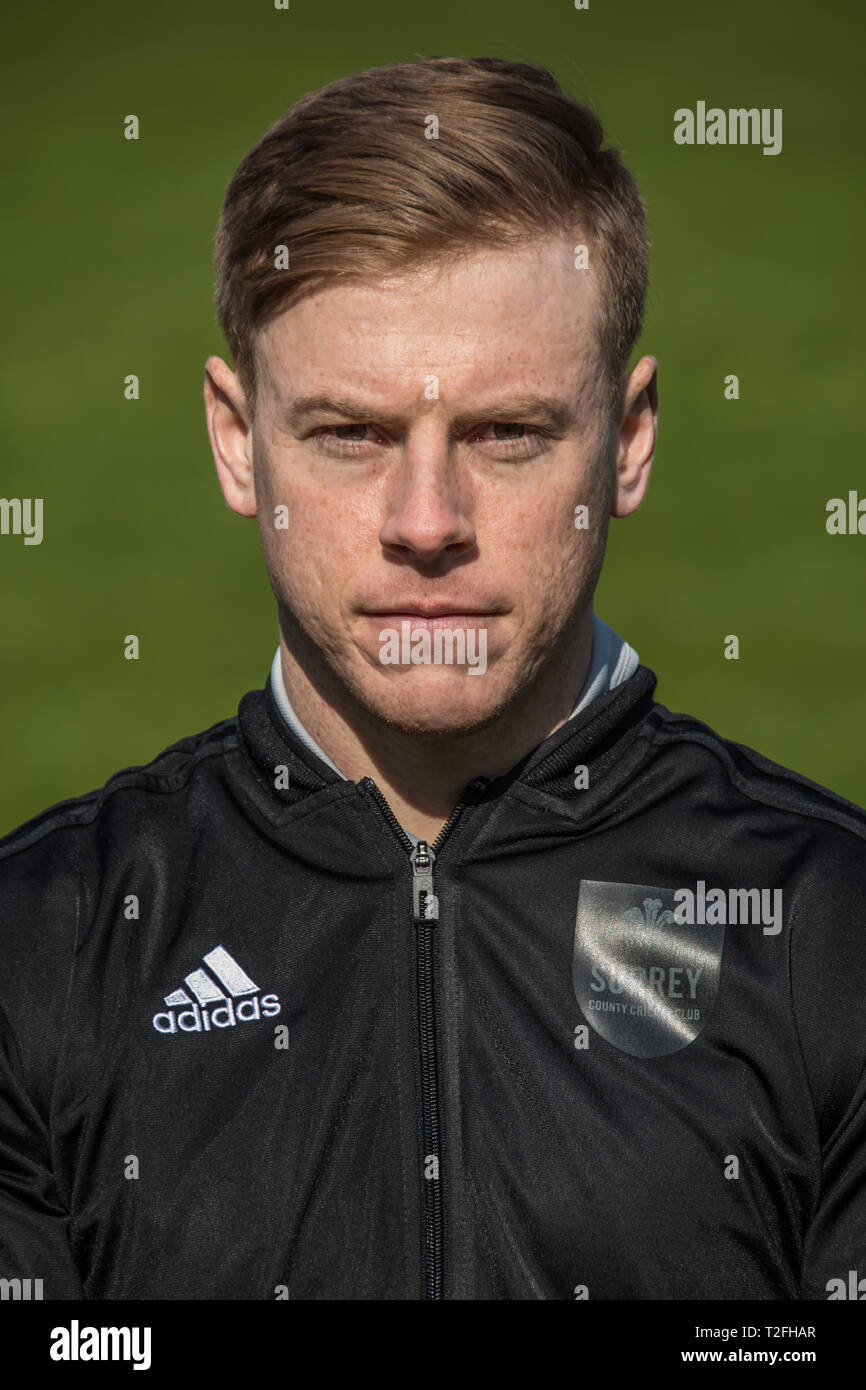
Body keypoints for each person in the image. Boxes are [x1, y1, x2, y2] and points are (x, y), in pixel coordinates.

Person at [1, 55, 864, 1302]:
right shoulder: (41, 951)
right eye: (348, 435)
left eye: (505, 434)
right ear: (237, 443)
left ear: (626, 444)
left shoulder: (832, 938)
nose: (424, 521)